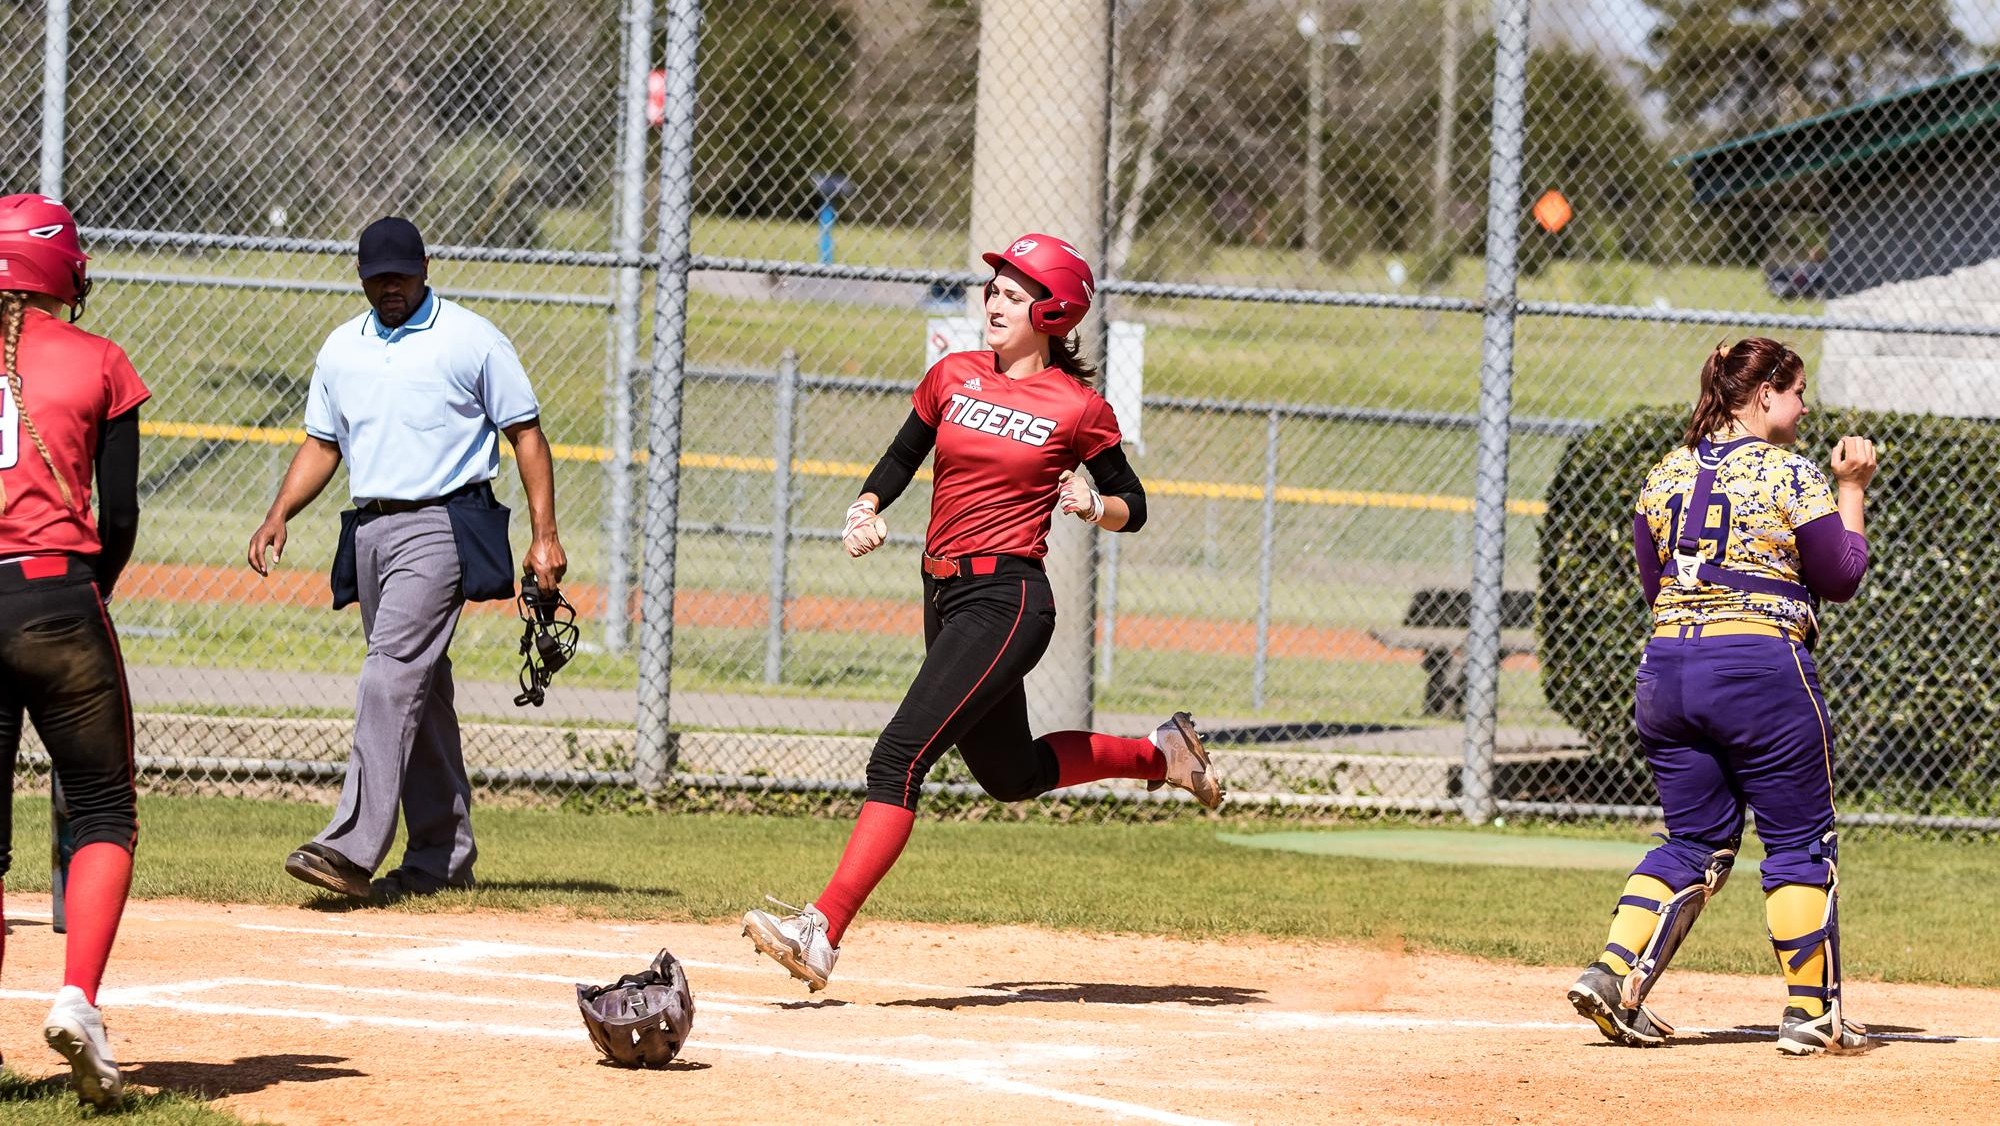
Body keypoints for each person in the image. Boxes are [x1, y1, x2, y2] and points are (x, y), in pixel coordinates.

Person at [741, 233, 1222, 992]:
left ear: (1053, 311)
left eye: (1011, 292)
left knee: (898, 758)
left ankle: (821, 930)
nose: (993, 302)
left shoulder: (1077, 406)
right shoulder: (952, 376)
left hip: (1009, 599)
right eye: (993, 289)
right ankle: (1162, 755)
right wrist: (865, 505)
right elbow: (903, 457)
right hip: (944, 591)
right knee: (1010, 772)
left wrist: (1097, 507)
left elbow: (1138, 504)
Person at [1566, 337, 1878, 1055]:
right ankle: (1811, 1015)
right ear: (1764, 393)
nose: (1805, 406)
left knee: (1695, 841)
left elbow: (1657, 588)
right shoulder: (1791, 473)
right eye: (1798, 391)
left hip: (1668, 672)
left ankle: (1615, 974)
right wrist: (1854, 488)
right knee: (1801, 841)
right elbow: (1841, 575)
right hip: (1760, 671)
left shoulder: (1666, 471)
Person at [246, 216, 566, 904]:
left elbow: (526, 435)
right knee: (419, 692)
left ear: (426, 267)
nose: (390, 286)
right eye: (377, 276)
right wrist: (279, 513)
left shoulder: (470, 338)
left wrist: (545, 535)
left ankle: (350, 846)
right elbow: (323, 444)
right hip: (371, 530)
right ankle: (443, 856)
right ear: (360, 276)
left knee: (387, 677)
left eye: (401, 273)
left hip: (443, 523)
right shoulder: (342, 349)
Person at [0, 194, 145, 1107]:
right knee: (100, 805)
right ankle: (77, 999)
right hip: (57, 594)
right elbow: (122, 514)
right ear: (61, 269)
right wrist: (89, 591)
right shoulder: (97, 359)